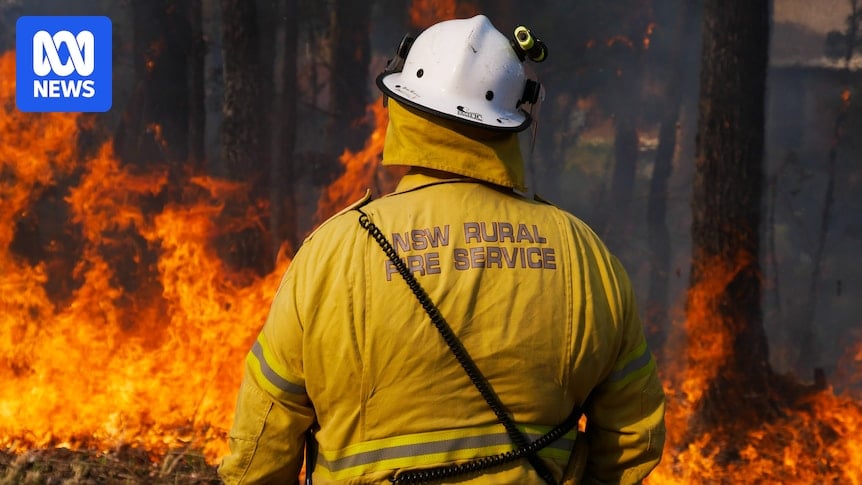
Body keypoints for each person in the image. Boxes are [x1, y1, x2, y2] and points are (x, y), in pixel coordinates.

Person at [218, 14, 665, 485]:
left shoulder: (331, 254)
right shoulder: (584, 255)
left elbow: (262, 444)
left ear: (401, 108)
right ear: (516, 120)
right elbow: (635, 434)